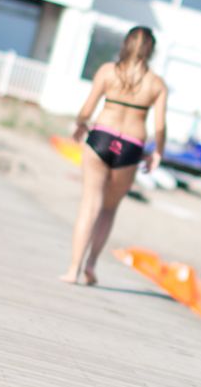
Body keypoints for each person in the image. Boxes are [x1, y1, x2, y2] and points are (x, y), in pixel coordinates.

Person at [60, 26, 166, 285]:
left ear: (125, 44)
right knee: (108, 209)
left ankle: (73, 269)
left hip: (102, 138)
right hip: (131, 144)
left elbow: (87, 109)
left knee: (90, 204)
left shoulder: (108, 72)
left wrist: (80, 124)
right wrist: (158, 153)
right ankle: (92, 265)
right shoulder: (156, 83)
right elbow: (161, 125)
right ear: (151, 51)